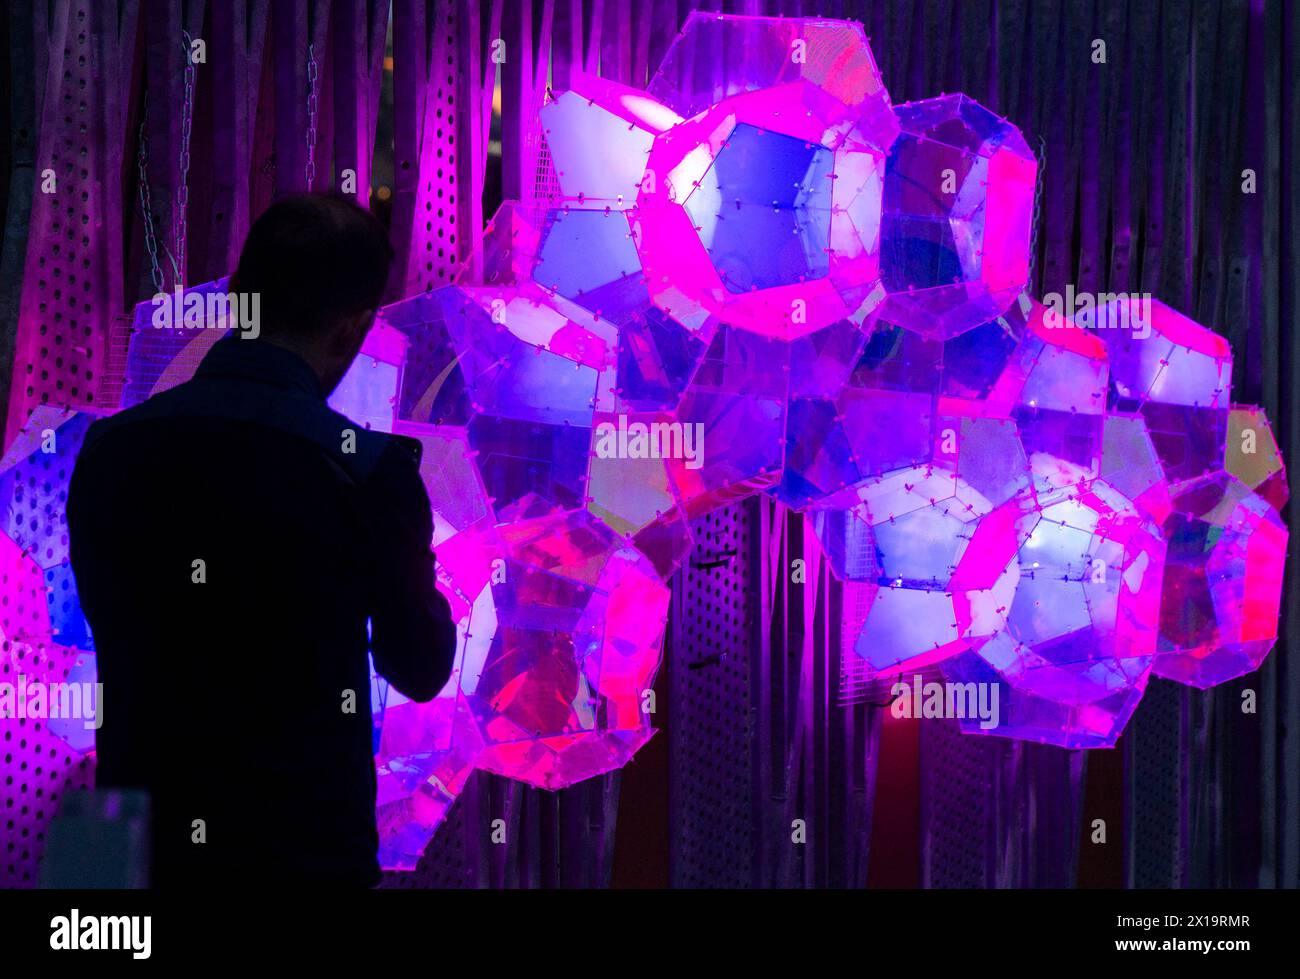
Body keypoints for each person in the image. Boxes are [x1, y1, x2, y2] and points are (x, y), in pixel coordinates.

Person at [67, 193, 457, 887]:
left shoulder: (110, 448)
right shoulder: (369, 472)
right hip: (295, 851)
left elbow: (111, 619)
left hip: (120, 848)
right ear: (348, 330)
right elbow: (421, 666)